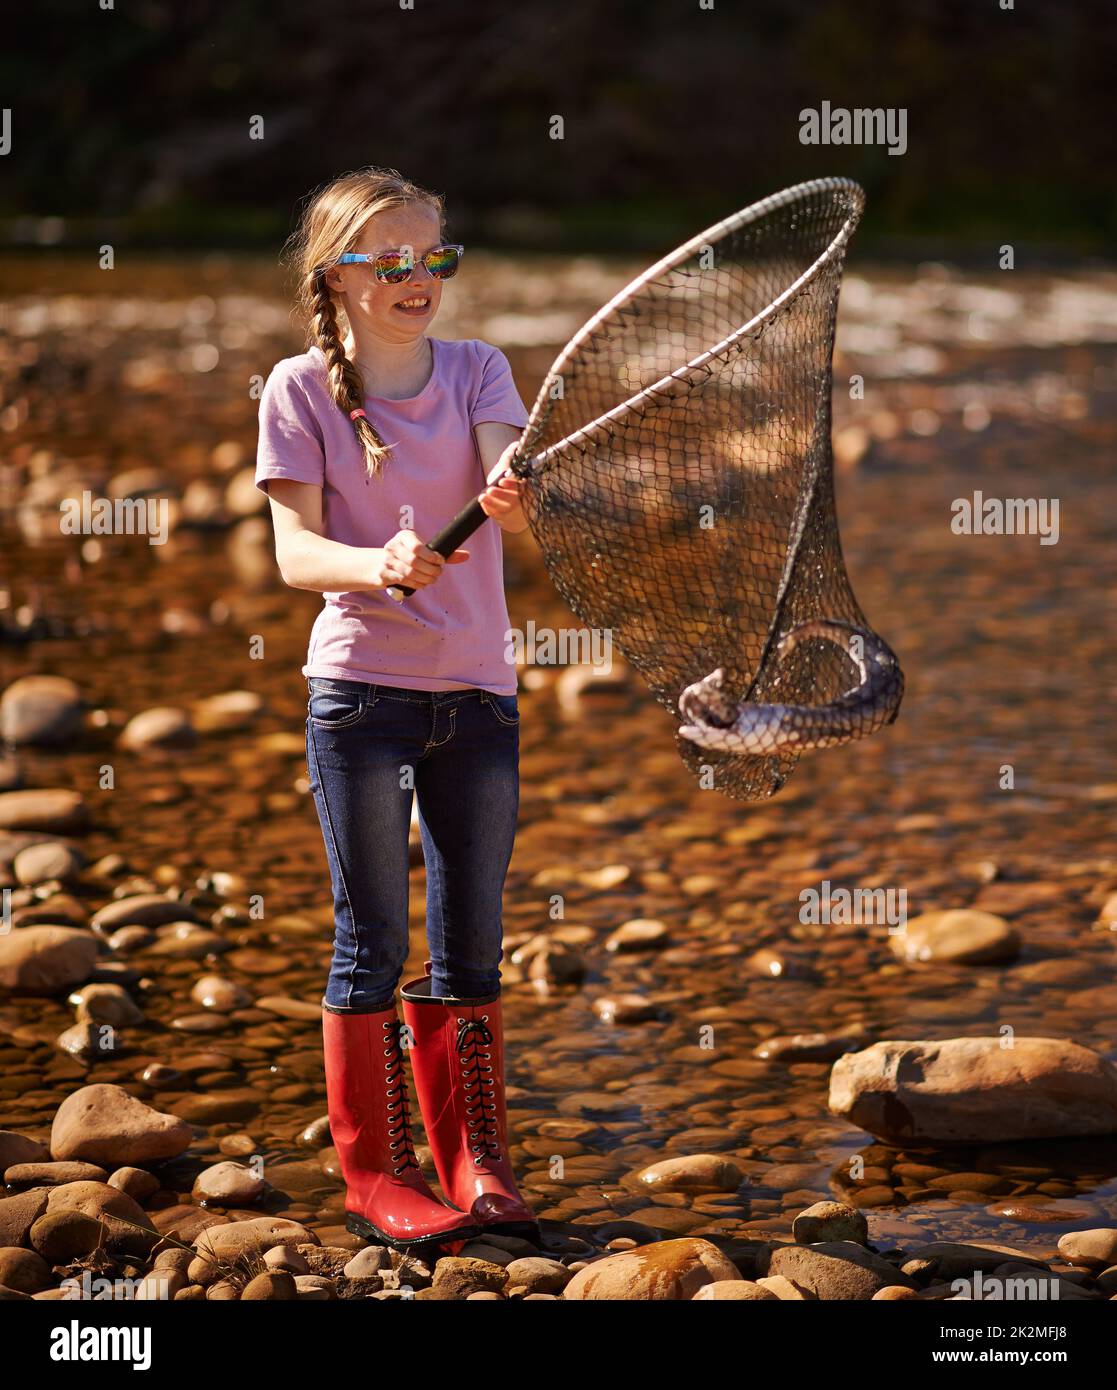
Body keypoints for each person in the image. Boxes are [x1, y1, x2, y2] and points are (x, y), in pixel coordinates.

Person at [255, 165, 537, 1250]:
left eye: (436, 257)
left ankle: (478, 1161)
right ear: (338, 275)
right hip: (358, 696)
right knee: (367, 938)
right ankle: (375, 1175)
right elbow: (292, 554)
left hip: (478, 695)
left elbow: (513, 475)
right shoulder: (297, 390)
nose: (420, 276)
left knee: (473, 940)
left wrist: (519, 488)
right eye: (394, 260)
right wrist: (378, 562)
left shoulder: (477, 369)